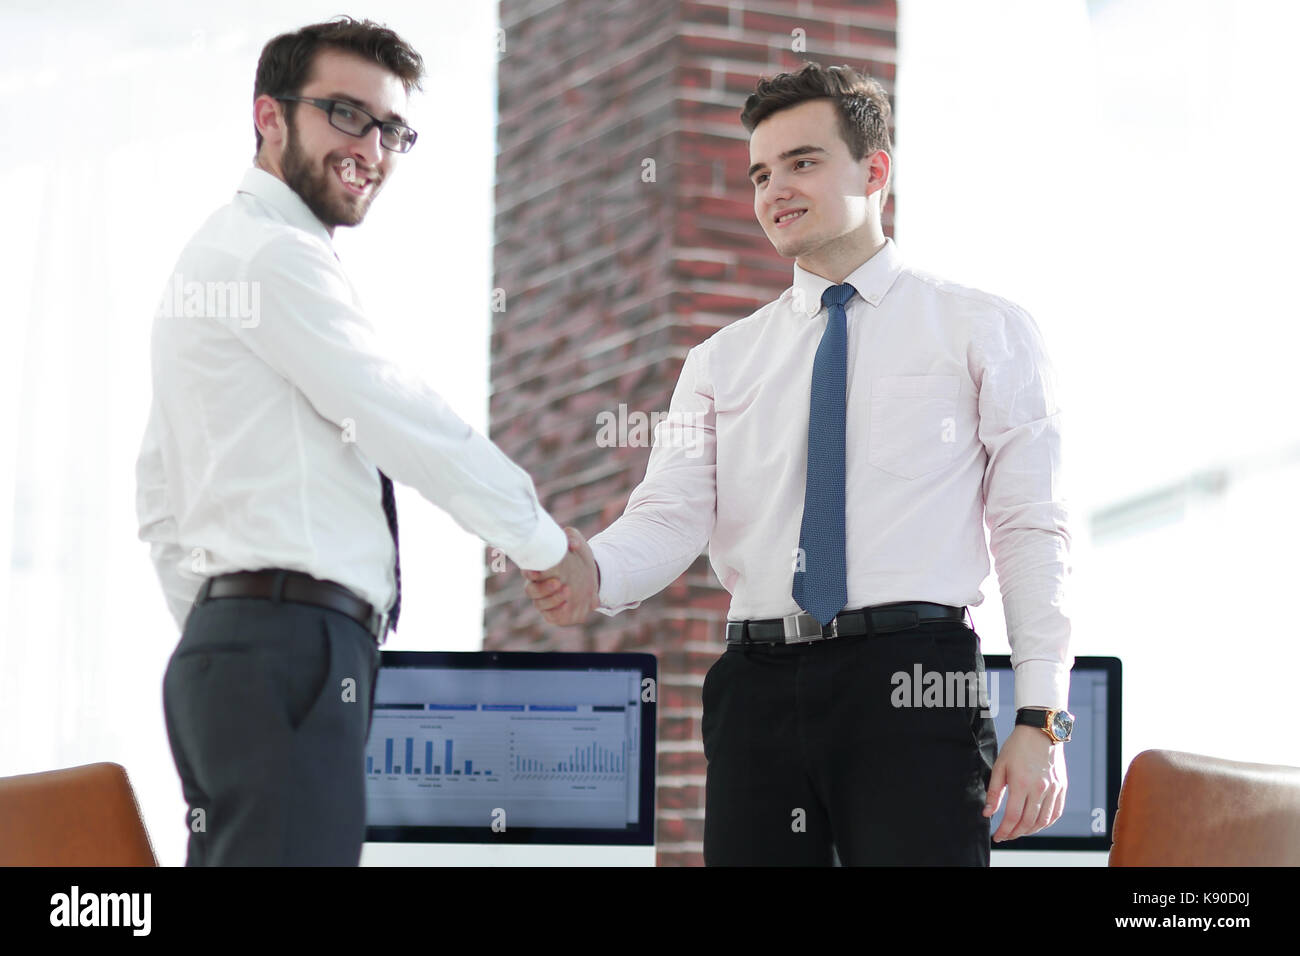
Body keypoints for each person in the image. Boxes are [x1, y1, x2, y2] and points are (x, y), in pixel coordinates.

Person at [524, 62, 1074, 865]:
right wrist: (595, 569)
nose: (774, 188)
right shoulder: (719, 361)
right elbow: (670, 512)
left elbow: (1032, 527)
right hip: (758, 686)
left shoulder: (983, 328)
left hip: (914, 680)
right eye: (759, 173)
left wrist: (1041, 718)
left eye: (803, 162)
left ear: (875, 170)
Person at [135, 16, 589, 866]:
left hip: (239, 655)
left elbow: (158, 499)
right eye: (346, 114)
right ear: (269, 117)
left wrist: (224, 635)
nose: (371, 147)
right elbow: (398, 414)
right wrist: (543, 540)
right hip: (288, 647)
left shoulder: (213, 261)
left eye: (390, 129)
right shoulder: (271, 256)